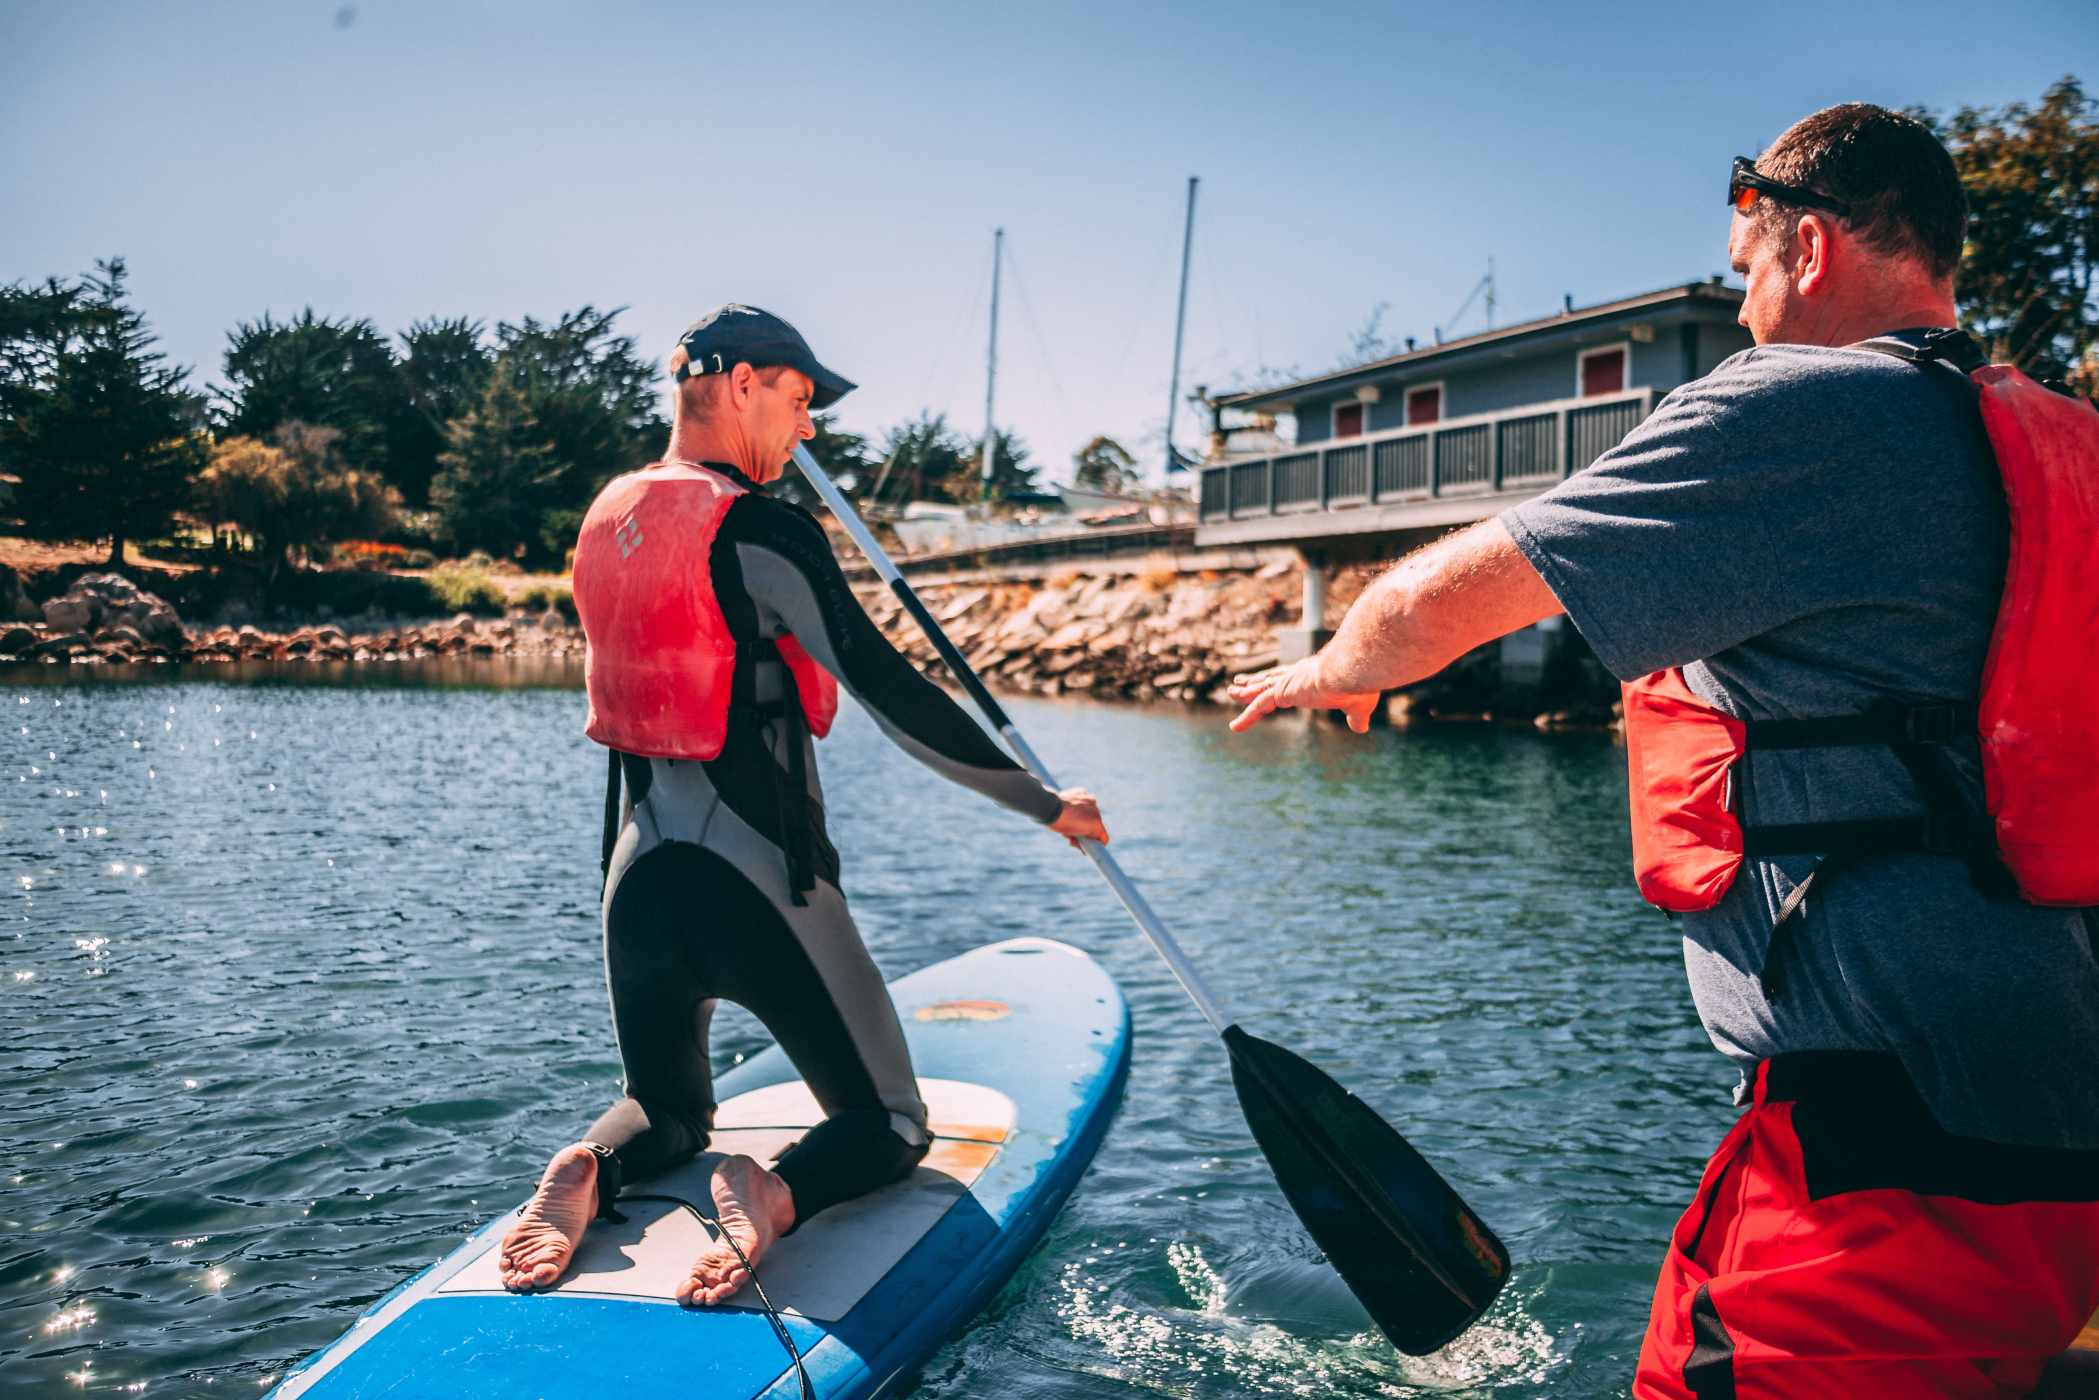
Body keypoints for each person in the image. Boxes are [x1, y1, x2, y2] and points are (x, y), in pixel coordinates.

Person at [1227, 104, 2099, 1397]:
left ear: (1803, 248)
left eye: (1744, 273)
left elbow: (1446, 600)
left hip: (1888, 1150)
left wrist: (1336, 665)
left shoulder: (1807, 402)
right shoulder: (2058, 445)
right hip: (2046, 1111)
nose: (1743, 313)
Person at [497, 305, 1108, 1307]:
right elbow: (891, 693)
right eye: (797, 397)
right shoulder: (757, 525)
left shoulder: (607, 513)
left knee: (668, 1112)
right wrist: (1043, 802)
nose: (809, 426)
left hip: (636, 879)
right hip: (758, 883)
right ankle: (776, 1192)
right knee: (889, 1125)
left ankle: (590, 1165)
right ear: (739, 384)